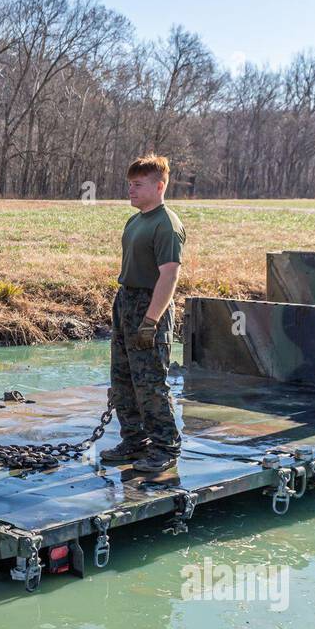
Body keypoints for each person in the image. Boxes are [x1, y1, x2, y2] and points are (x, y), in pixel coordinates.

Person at [103, 153, 186, 474]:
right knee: (122, 379)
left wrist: (151, 321)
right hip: (126, 301)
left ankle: (165, 446)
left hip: (150, 305)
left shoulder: (167, 224)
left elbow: (169, 275)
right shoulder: (136, 219)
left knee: (151, 383)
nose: (131, 190)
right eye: (129, 185)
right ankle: (134, 440)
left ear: (159, 186)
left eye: (138, 185)